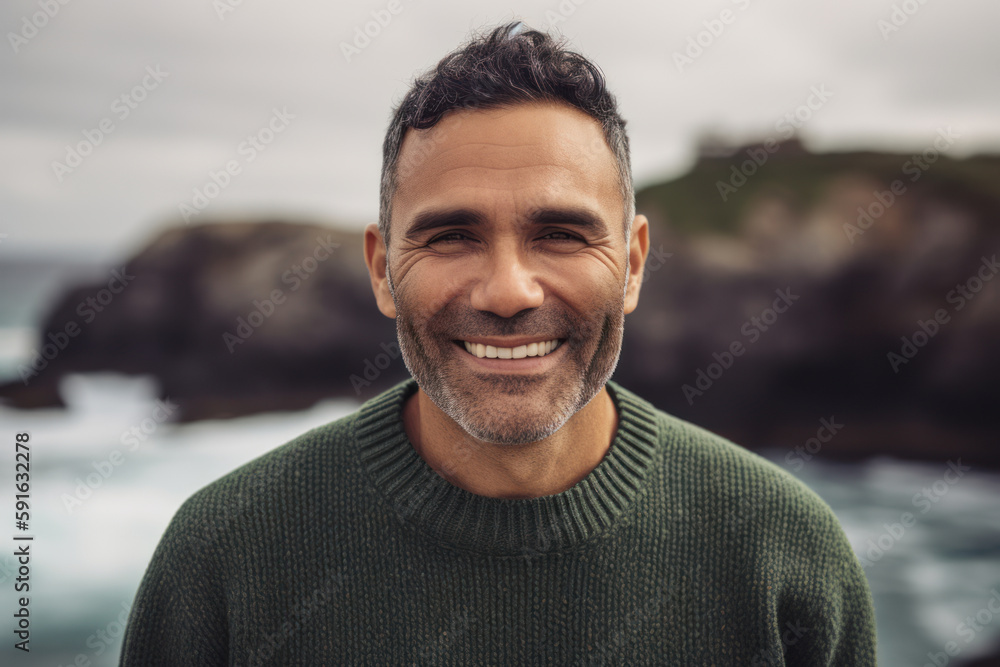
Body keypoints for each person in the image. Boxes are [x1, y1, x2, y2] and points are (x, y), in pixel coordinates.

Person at [120, 21, 877, 665]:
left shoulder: (785, 556)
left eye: (561, 234)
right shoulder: (222, 557)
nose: (509, 292)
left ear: (633, 265)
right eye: (451, 236)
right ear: (382, 271)